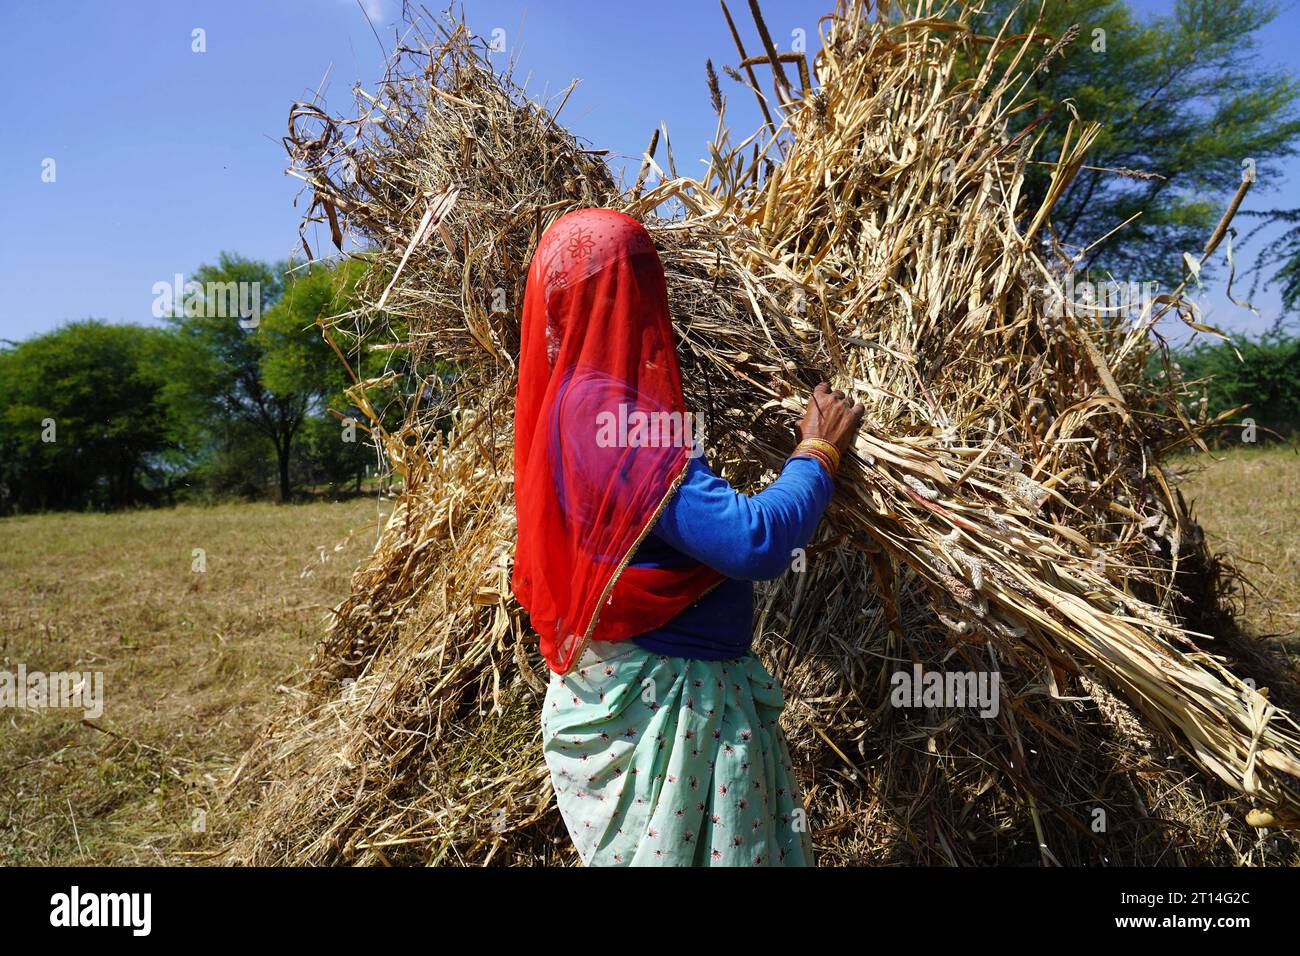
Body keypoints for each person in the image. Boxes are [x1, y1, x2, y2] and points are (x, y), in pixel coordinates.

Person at [512, 207, 863, 866]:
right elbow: (752, 542)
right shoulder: (611, 414)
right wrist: (817, 454)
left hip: (645, 693)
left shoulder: (579, 401)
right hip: (669, 708)